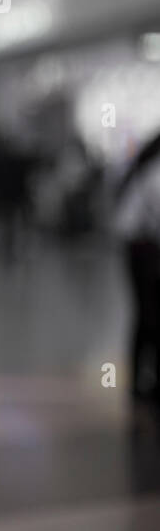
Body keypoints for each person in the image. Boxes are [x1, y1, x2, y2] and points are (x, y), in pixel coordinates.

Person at [114, 130, 160, 408]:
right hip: (143, 250)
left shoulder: (147, 169)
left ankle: (142, 382)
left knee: (146, 314)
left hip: (140, 248)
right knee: (149, 314)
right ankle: (144, 383)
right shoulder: (155, 174)